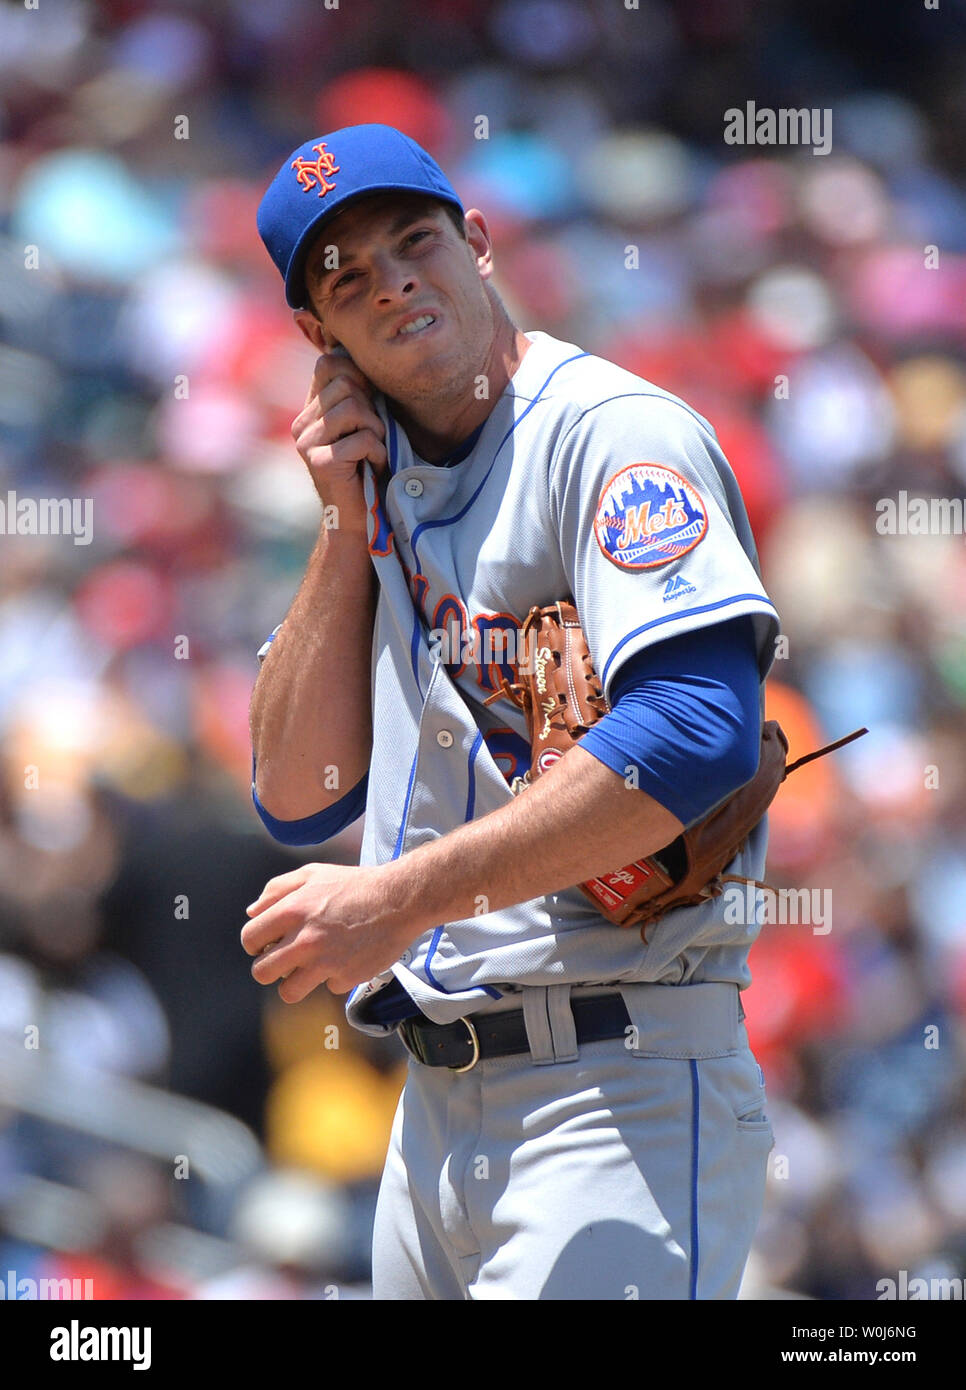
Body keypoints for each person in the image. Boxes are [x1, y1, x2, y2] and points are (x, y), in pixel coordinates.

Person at [245, 123, 781, 1300]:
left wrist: (397, 899)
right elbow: (296, 796)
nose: (393, 283)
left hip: (618, 1087)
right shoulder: (373, 484)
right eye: (348, 277)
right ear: (317, 336)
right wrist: (339, 527)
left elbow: (698, 729)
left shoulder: (607, 432)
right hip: (432, 1108)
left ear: (478, 242)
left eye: (414, 242)